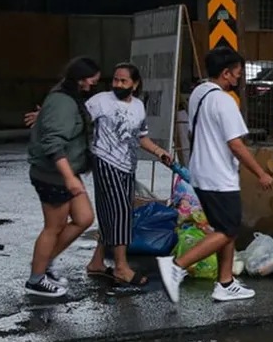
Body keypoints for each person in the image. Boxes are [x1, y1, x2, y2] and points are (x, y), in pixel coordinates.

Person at [27, 62, 172, 288]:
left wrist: (159, 152)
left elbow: (140, 137)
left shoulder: (138, 107)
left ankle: (90, 262)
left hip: (127, 165)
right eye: (115, 79)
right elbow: (75, 117)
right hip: (105, 162)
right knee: (121, 212)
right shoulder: (100, 101)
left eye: (123, 81)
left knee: (100, 215)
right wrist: (45, 116)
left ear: (135, 84)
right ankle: (121, 267)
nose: (118, 84)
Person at [157, 46, 273, 304]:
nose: (238, 79)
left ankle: (225, 283)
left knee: (226, 228)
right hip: (218, 176)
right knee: (228, 229)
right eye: (237, 74)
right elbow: (236, 144)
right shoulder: (224, 101)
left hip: (201, 172)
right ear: (225, 73)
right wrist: (260, 173)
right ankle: (176, 266)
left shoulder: (200, 92)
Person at [24, 56, 100, 298]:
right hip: (54, 174)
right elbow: (54, 142)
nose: (93, 85)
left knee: (84, 218)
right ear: (80, 79)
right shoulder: (62, 101)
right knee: (53, 227)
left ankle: (42, 263)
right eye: (91, 80)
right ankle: (36, 279)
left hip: (67, 171)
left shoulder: (67, 98)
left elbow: (55, 122)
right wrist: (69, 177)